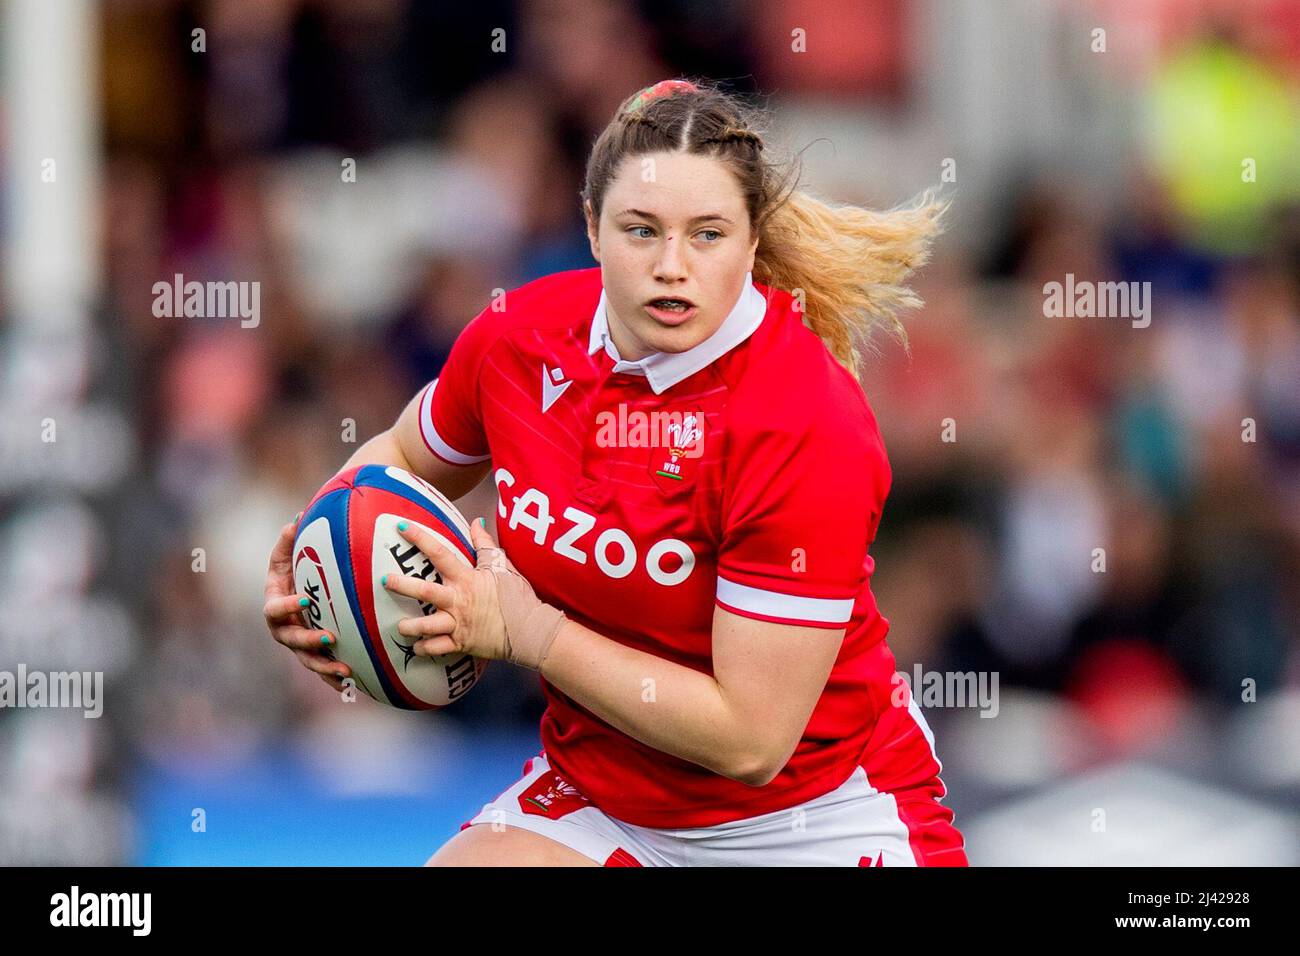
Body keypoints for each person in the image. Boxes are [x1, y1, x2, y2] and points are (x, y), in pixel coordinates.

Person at [263, 78, 967, 866]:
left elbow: (749, 740)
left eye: (707, 235)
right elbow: (394, 459)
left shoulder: (805, 419)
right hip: (603, 800)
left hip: (813, 816)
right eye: (642, 231)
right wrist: (320, 564)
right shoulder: (518, 338)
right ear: (593, 228)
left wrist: (530, 633)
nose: (673, 267)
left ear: (752, 241)